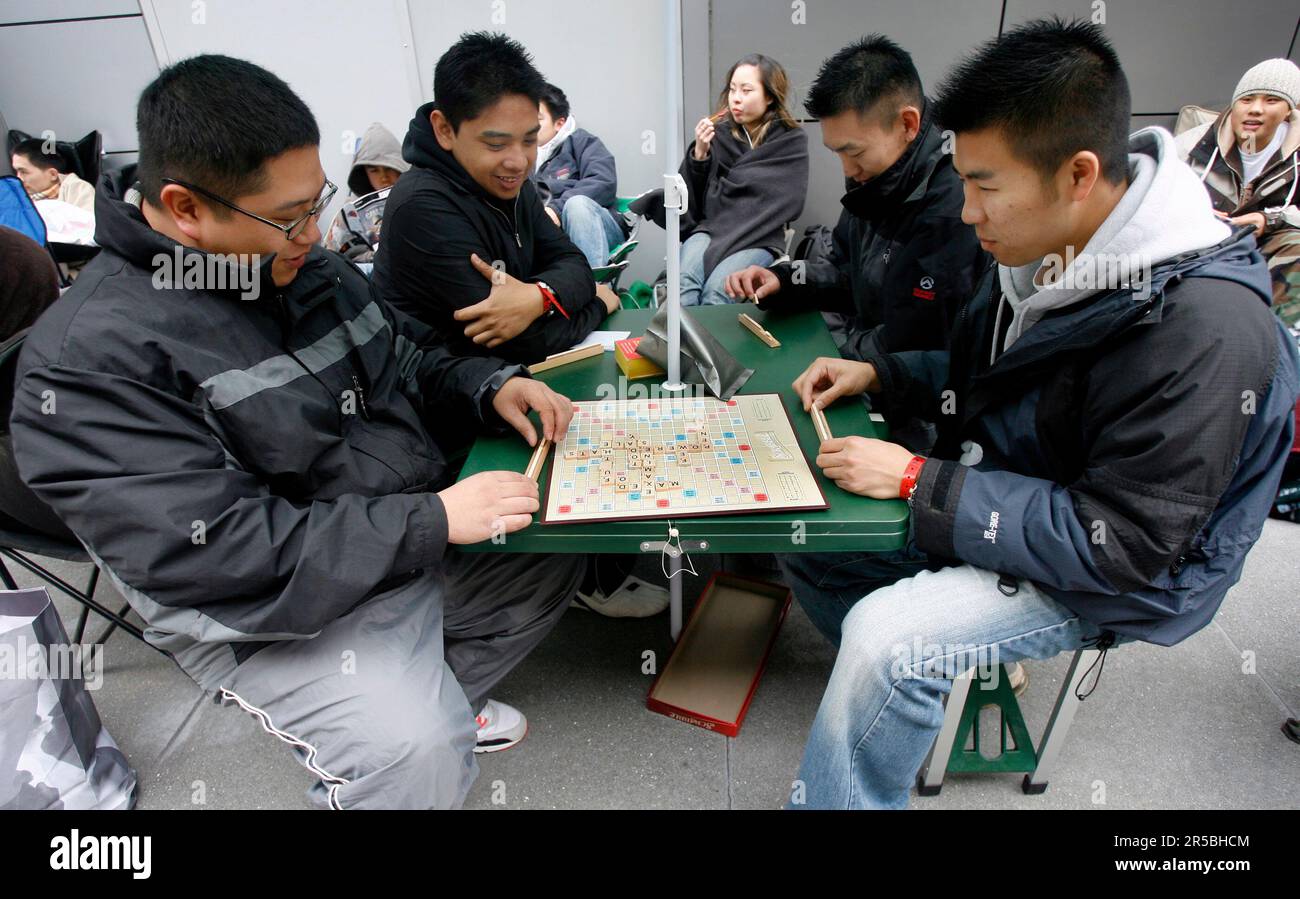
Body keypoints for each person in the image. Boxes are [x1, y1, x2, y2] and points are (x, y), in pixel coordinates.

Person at [8, 54, 588, 810]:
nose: (312, 234)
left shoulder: (301, 269)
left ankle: (432, 696)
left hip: (386, 536)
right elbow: (224, 551)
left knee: (551, 550)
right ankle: (405, 731)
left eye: (314, 203)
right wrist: (434, 518)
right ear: (184, 207)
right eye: (286, 217)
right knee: (411, 752)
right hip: (264, 609)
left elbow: (405, 356)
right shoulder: (89, 362)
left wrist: (490, 385)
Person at [780, 19, 1300, 809]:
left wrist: (923, 480)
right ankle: (918, 677)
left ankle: (891, 691)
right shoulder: (1037, 251)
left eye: (985, 186)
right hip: (1027, 488)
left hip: (1125, 569)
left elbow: (1126, 543)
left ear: (1078, 174)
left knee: (891, 641)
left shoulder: (1206, 328)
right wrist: (879, 373)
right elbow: (982, 378)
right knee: (812, 542)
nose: (964, 212)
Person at [726, 36, 985, 363]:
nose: (848, 170)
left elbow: (916, 337)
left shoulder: (951, 208)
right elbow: (844, 270)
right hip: (865, 360)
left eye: (855, 152)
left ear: (907, 123)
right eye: (837, 153)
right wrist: (785, 281)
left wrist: (829, 362)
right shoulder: (878, 179)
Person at [373, 32, 618, 365]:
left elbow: (576, 266)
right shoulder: (422, 206)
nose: (518, 162)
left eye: (529, 140)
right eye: (496, 144)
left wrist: (538, 297)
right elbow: (521, 344)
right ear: (445, 129)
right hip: (448, 403)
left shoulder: (513, 186)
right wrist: (599, 303)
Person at [675, 54, 809, 306]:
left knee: (718, 290)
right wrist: (700, 153)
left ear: (769, 96)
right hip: (711, 229)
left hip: (759, 235)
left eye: (747, 90)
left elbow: (791, 200)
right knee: (683, 283)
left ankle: (707, 347)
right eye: (733, 90)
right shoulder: (719, 135)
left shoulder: (791, 140)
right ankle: (681, 346)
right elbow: (692, 201)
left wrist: (726, 192)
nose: (736, 98)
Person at [1176, 58, 1300, 325]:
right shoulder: (1192, 144)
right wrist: (1191, 211)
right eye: (1247, 100)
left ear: (1289, 111)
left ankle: (1283, 341)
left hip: (1266, 246)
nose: (1255, 109)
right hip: (1198, 246)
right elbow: (1143, 196)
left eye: (1270, 101)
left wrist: (1269, 220)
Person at [533, 82, 626, 268]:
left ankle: (593, 289)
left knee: (577, 205)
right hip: (547, 235)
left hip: (596, 226)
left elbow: (603, 181)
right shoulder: (521, 155)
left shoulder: (583, 142)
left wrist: (555, 209)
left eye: (538, 119)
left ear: (559, 123)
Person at [322, 121, 409, 263]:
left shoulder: (418, 197)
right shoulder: (350, 213)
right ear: (363, 173)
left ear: (400, 165)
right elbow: (341, 260)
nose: (383, 177)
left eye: (389, 167)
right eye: (374, 170)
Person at [10, 138, 96, 215]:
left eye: (24, 172)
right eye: (16, 172)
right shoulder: (15, 200)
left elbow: (88, 228)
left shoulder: (79, 191)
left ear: (53, 174)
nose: (18, 179)